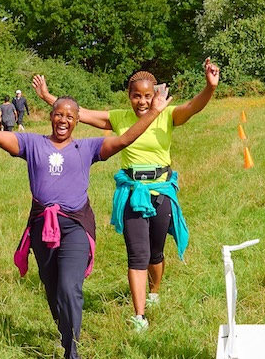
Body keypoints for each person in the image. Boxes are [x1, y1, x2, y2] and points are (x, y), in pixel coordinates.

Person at [0, 76, 171, 359]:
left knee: (68, 286)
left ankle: (73, 357)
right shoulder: (31, 143)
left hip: (75, 224)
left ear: (77, 121)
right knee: (51, 288)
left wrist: (153, 112)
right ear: (51, 116)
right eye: (59, 114)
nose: (63, 120)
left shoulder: (87, 149)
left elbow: (125, 139)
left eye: (70, 116)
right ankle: (66, 334)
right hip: (41, 226)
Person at [33, 58, 220, 332]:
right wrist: (49, 97)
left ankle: (154, 290)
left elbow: (193, 107)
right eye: (136, 96)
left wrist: (209, 87)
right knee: (137, 255)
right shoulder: (118, 117)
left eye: (147, 96)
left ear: (154, 95)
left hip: (161, 190)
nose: (142, 102)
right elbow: (79, 112)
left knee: (155, 252)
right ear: (129, 96)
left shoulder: (166, 115)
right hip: (132, 192)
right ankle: (139, 316)